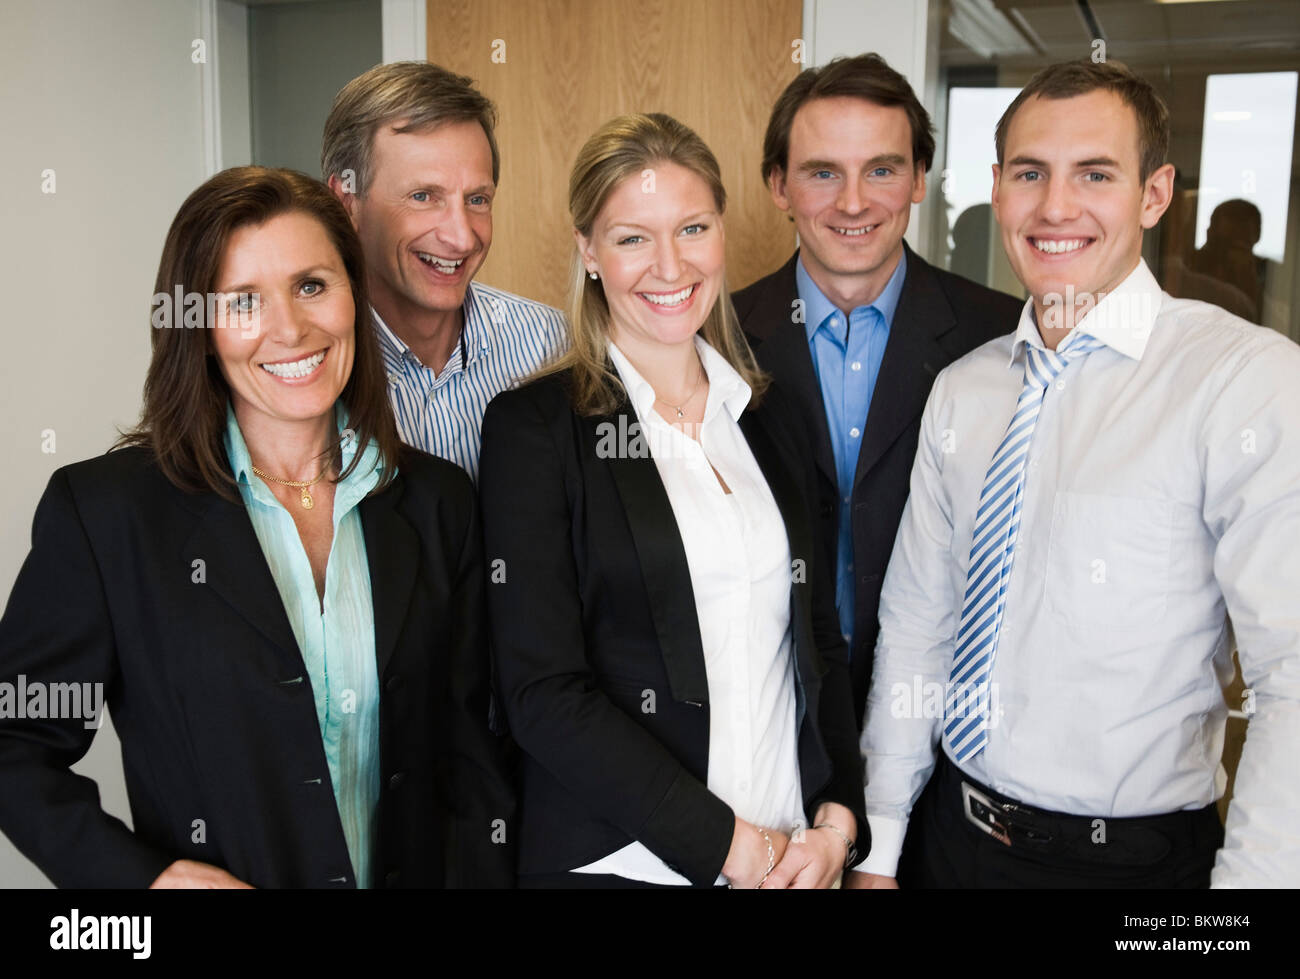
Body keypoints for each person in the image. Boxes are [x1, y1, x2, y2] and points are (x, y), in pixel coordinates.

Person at [850, 59, 1300, 888]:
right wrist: (879, 843)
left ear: (1154, 194)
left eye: (1095, 173)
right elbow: (918, 624)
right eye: (1030, 174)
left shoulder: (1243, 380)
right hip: (950, 844)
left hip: (1133, 866)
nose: (1056, 207)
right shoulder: (965, 389)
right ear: (997, 187)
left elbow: (1291, 679)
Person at [0, 167, 514, 888]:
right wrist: (141, 879)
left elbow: (467, 756)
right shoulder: (107, 515)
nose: (291, 328)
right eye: (243, 301)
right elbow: (14, 739)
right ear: (199, 327)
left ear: (352, 294)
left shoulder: (436, 501)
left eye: (312, 285)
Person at [478, 113, 865, 888]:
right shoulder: (536, 430)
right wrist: (729, 847)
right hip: (630, 865)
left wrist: (839, 819)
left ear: (722, 231)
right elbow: (544, 693)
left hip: (794, 861)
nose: (669, 264)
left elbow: (815, 631)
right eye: (631, 238)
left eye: (692, 227)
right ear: (588, 251)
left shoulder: (769, 414)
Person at [733, 53, 1022, 726]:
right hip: (768, 725)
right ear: (779, 185)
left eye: (882, 170)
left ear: (920, 179)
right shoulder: (713, 340)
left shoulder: (1004, 336)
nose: (854, 201)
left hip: (948, 725)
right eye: (823, 172)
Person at [323, 61, 567, 481]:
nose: (461, 238)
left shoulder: (550, 345)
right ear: (348, 205)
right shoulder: (306, 367)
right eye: (423, 196)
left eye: (477, 199)